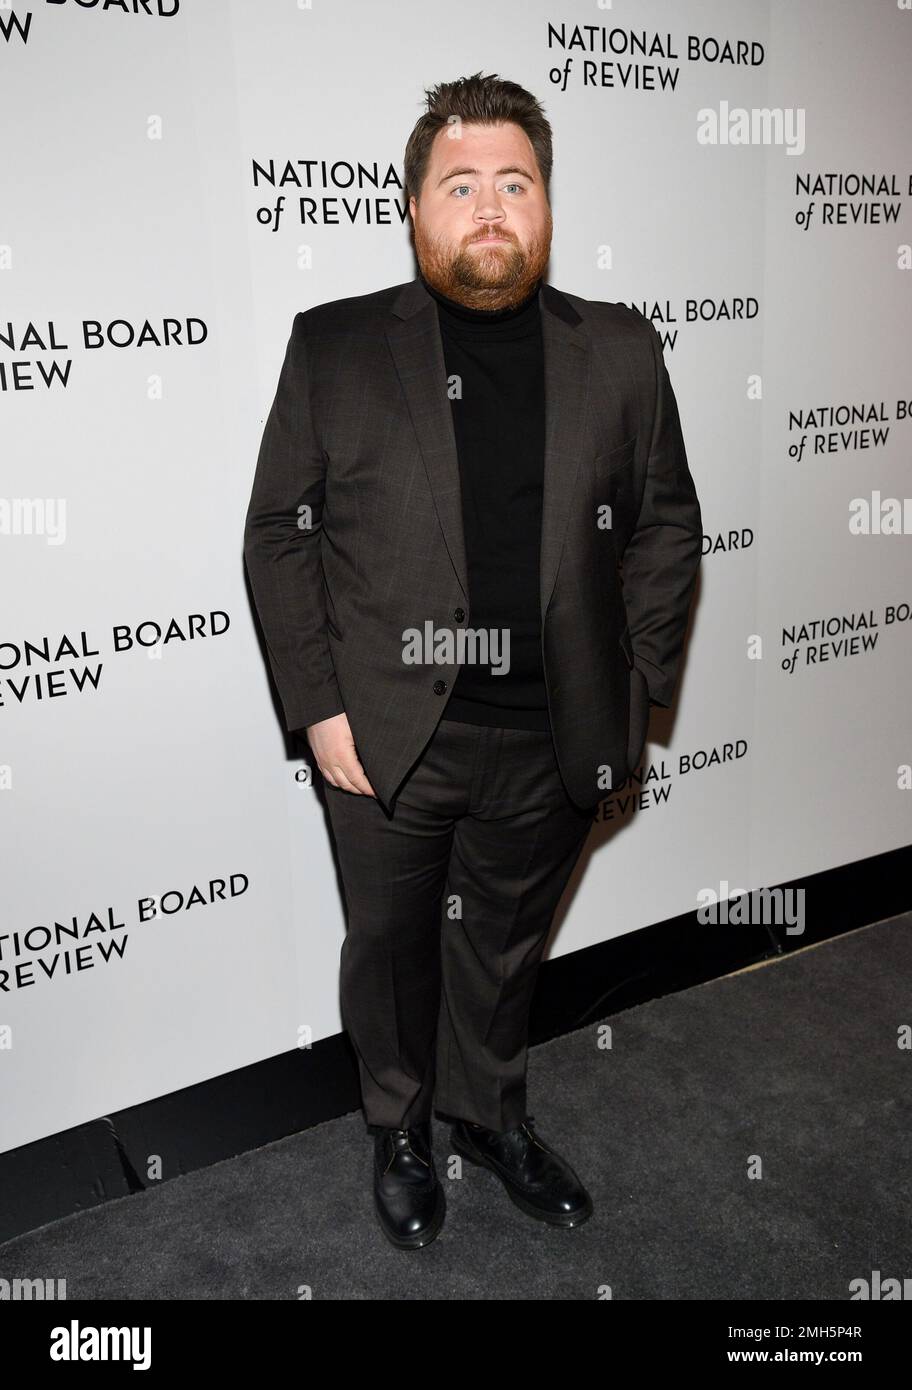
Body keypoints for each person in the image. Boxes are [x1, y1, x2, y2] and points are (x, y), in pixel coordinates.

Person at [243, 72, 702, 1250]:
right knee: (392, 952)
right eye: (462, 184)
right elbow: (279, 536)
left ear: (546, 202)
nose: (490, 206)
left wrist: (635, 693)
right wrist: (321, 709)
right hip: (390, 736)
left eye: (515, 182)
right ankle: (399, 1129)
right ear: (413, 210)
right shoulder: (336, 346)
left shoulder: (622, 349)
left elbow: (664, 527)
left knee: (501, 948)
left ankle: (490, 1117)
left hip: (554, 734)